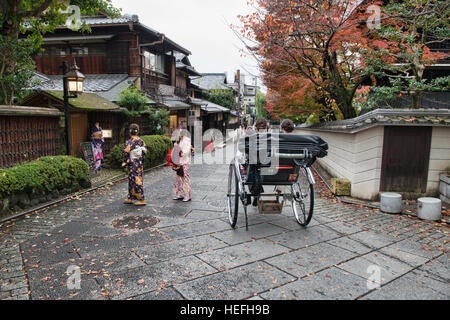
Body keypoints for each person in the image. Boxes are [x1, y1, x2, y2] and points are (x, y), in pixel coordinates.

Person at [122, 124, 147, 206]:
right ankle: (130, 197)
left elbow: (125, 153)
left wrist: (126, 161)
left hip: (132, 162)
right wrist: (140, 160)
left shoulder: (129, 142)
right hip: (139, 163)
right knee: (134, 179)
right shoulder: (141, 141)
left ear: (130, 132)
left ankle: (142, 199)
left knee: (135, 180)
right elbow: (144, 152)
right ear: (138, 131)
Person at [173, 131, 192, 202]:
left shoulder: (186, 140)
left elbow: (185, 152)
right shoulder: (180, 140)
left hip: (184, 162)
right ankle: (180, 194)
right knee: (178, 179)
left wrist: (177, 147)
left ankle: (187, 195)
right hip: (179, 162)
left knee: (185, 178)